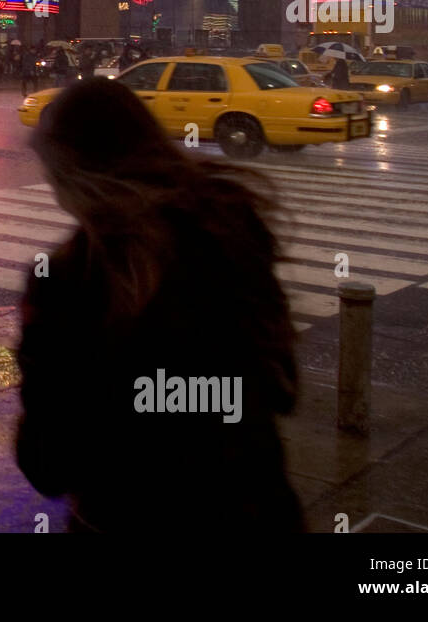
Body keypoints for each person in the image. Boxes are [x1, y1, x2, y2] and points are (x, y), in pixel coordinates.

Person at [18, 79, 303, 533]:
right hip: (254, 505)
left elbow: (48, 461)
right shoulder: (230, 228)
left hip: (127, 515)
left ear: (69, 172)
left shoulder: (71, 280)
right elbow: (280, 387)